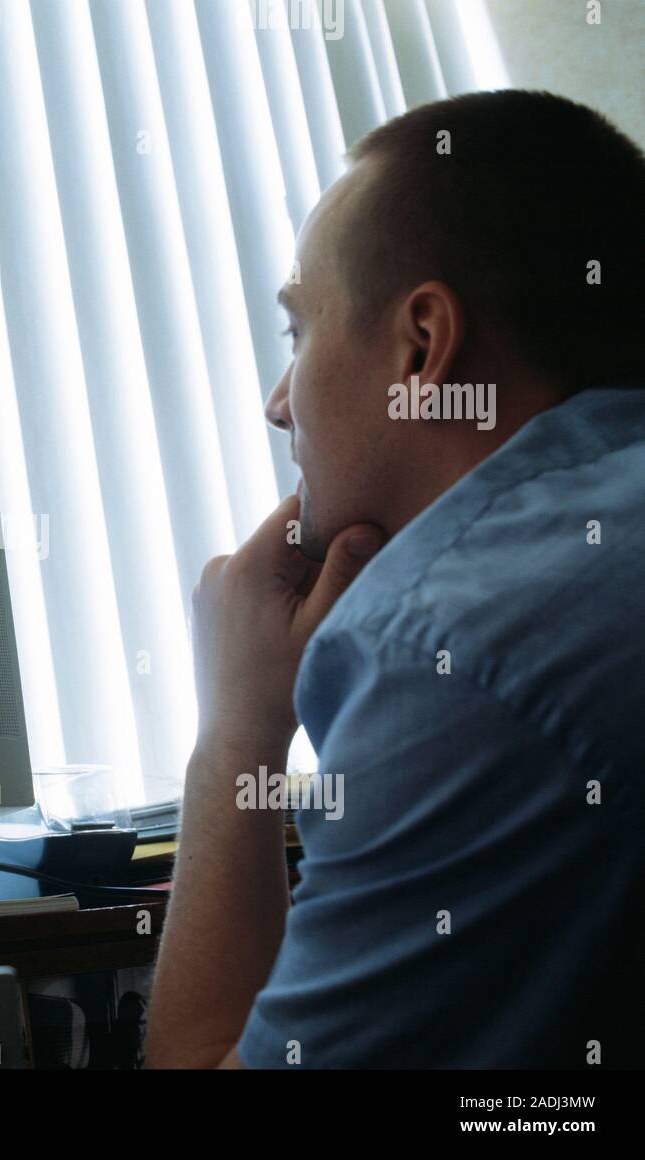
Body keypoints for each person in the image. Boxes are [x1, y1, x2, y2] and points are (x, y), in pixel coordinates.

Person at [147, 90, 645, 1069]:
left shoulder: (449, 645)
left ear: (421, 347)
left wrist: (238, 731)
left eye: (298, 332)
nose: (277, 404)